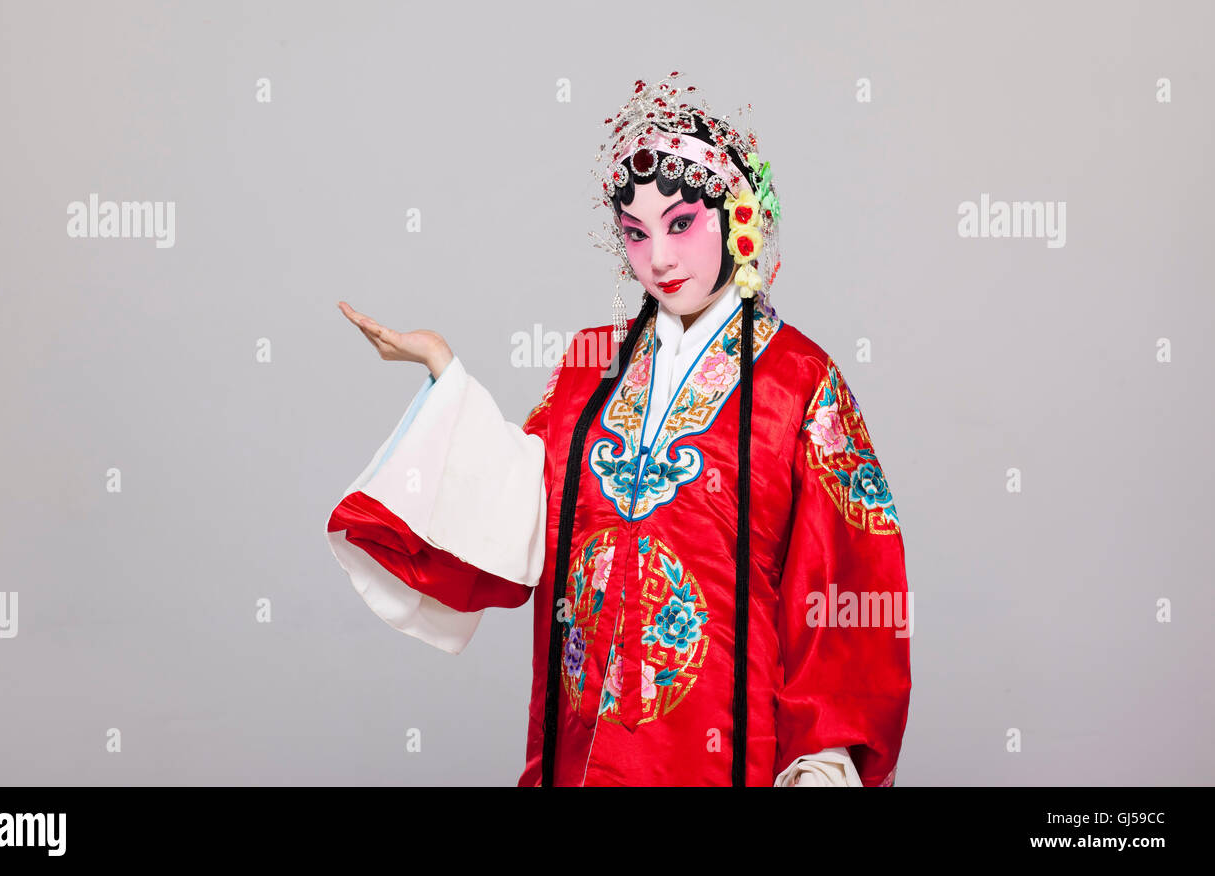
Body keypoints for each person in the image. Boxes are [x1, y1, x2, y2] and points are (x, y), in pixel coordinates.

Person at [326, 71, 911, 786]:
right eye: (636, 233)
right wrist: (446, 374)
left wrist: (824, 755)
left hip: (729, 748)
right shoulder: (591, 365)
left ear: (738, 218)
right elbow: (525, 509)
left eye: (681, 224)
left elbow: (847, 573)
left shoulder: (800, 380)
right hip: (583, 745)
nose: (658, 258)